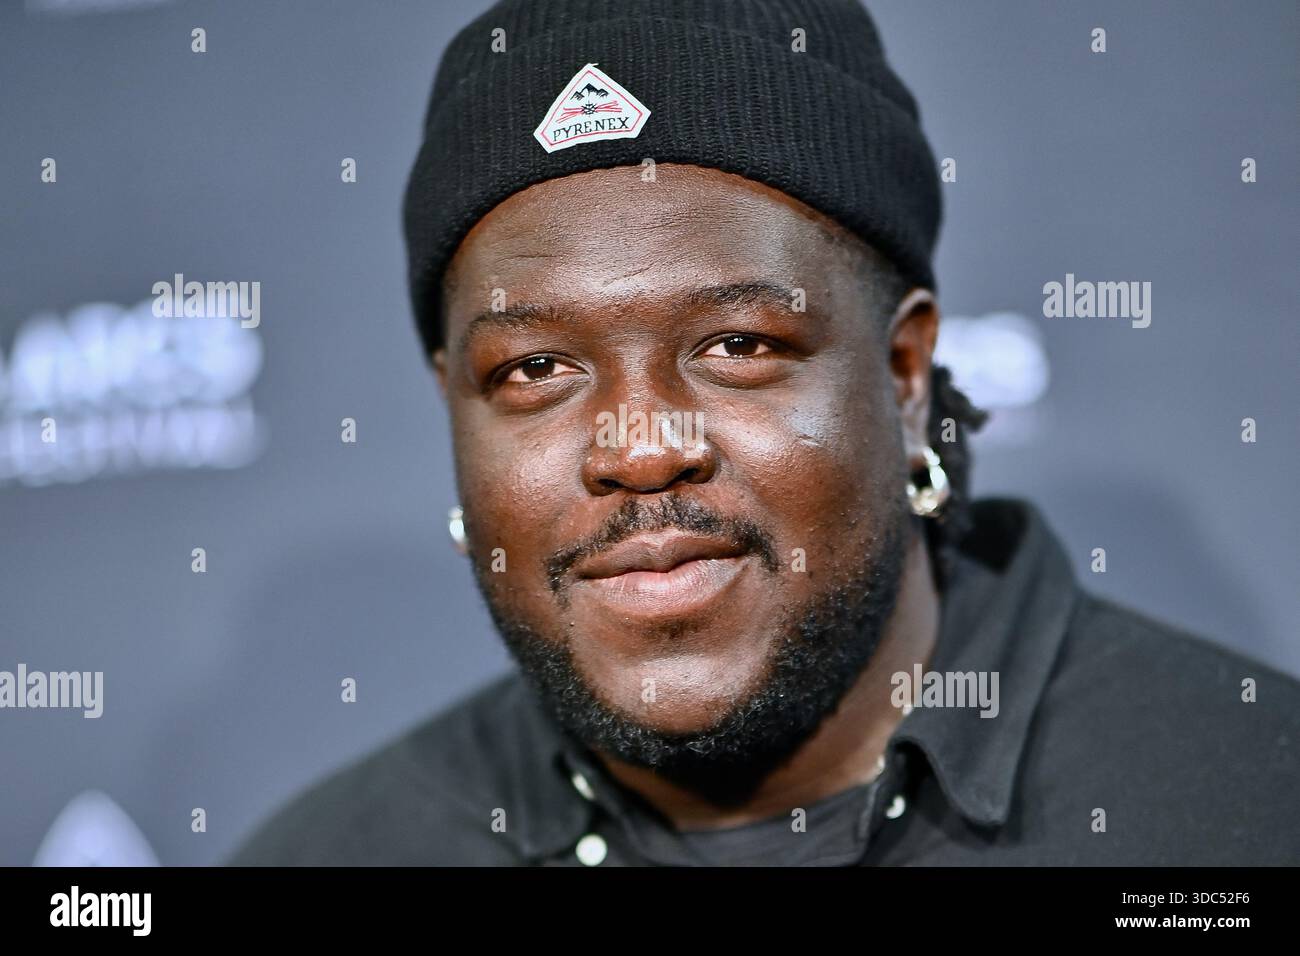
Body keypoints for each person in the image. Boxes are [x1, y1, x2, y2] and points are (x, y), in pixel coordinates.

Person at [228, 0, 1299, 866]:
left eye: (736, 344)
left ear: (903, 370)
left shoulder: (1247, 802)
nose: (640, 448)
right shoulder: (334, 851)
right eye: (534, 368)